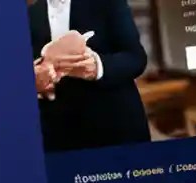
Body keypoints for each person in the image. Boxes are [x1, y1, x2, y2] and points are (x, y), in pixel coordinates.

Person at [28, 0, 150, 152]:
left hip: (114, 127)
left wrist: (96, 66)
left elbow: (136, 58)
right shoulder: (30, 13)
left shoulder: (108, 3)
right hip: (56, 136)